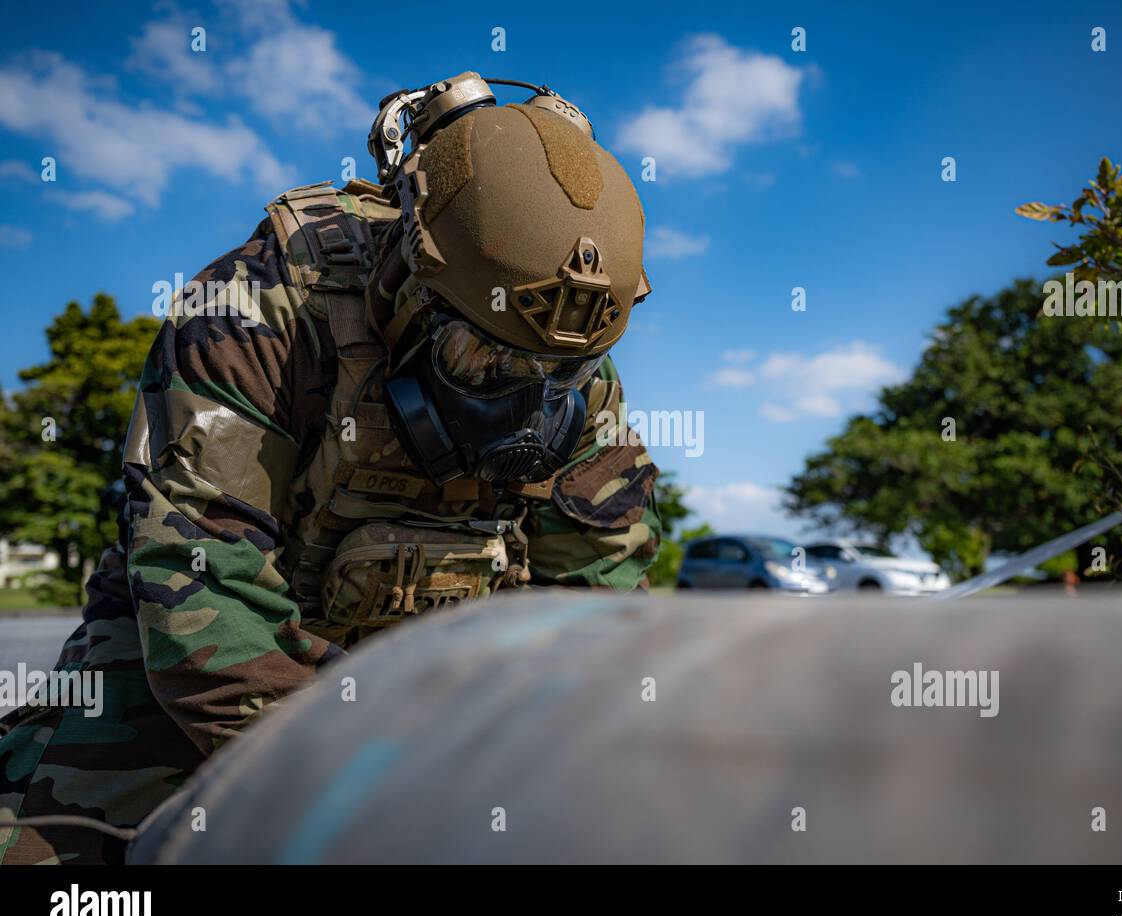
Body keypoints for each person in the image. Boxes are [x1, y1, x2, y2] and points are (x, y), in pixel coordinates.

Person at [0, 72, 661, 864]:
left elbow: (600, 604)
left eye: (557, 378)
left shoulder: (567, 356)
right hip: (208, 660)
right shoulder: (254, 314)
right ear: (414, 281)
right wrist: (373, 791)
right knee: (69, 878)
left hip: (431, 679)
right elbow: (204, 595)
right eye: (481, 357)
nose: (520, 401)